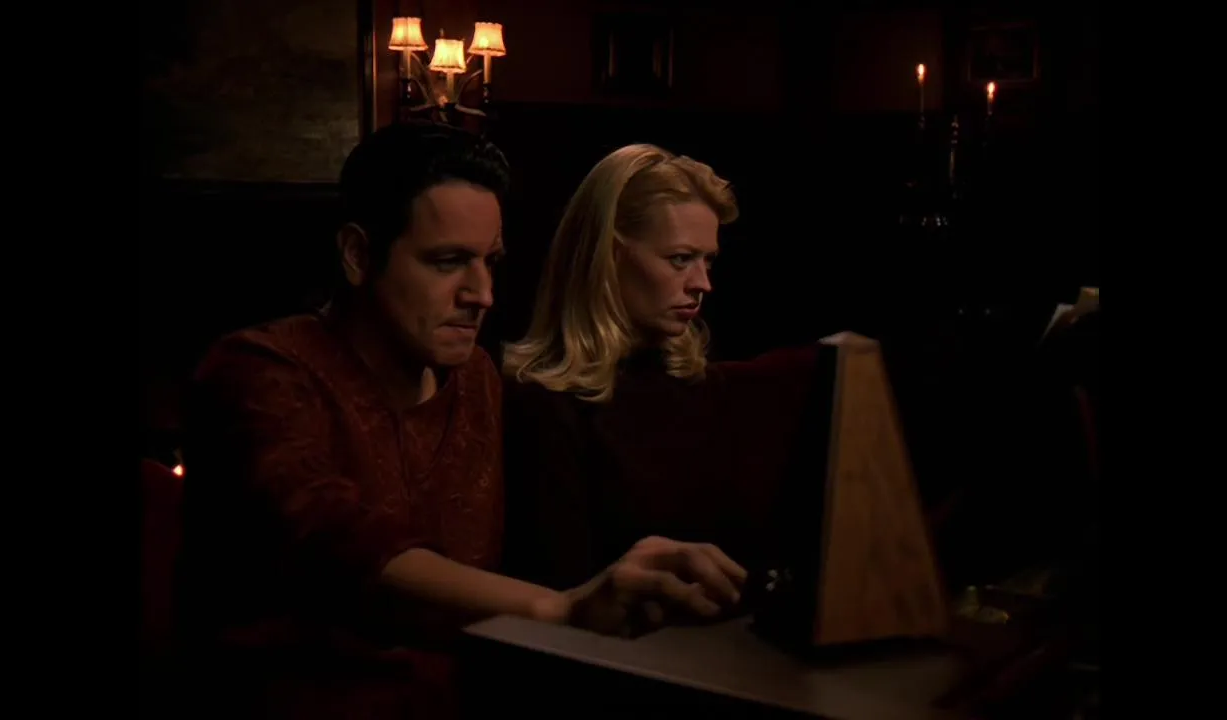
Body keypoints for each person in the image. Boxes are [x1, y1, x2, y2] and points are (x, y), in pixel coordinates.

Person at [175, 123, 748, 719]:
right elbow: (337, 540)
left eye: (490, 262)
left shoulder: (477, 379)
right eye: (448, 262)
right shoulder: (259, 371)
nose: (482, 294)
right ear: (358, 255)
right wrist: (562, 610)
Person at [500, 144, 828, 592]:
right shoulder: (545, 407)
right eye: (680, 259)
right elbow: (558, 592)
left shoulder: (699, 387)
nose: (703, 284)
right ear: (610, 256)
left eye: (708, 260)